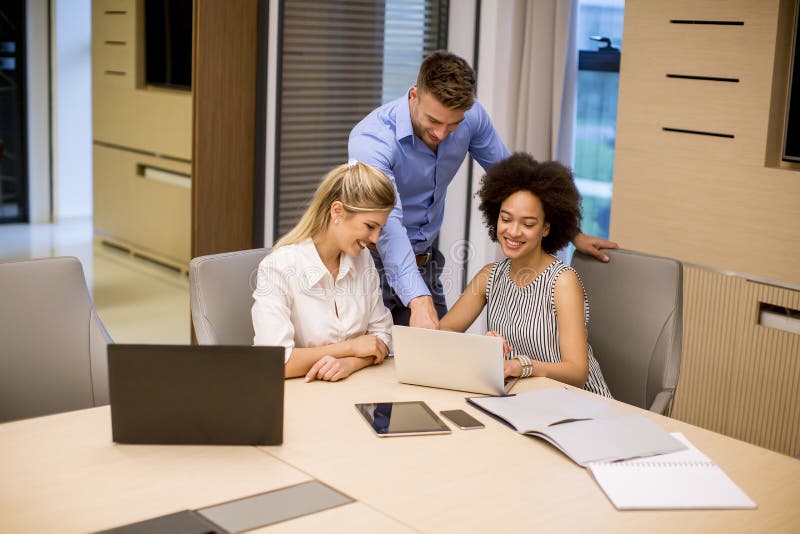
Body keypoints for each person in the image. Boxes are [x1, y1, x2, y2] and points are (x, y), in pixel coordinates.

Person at [349, 50, 617, 330]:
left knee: (433, 362)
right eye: (433, 121)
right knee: (369, 361)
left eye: (452, 124)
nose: (441, 134)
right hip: (366, 266)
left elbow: (517, 181)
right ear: (414, 95)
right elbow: (388, 225)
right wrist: (419, 299)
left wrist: (572, 233)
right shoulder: (373, 141)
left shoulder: (472, 118)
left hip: (423, 263)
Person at [439, 153, 611, 396]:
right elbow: (443, 333)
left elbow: (577, 373)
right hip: (525, 399)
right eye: (506, 219)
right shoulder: (489, 276)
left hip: (579, 404)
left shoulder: (562, 282)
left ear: (546, 228)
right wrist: (482, 348)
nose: (513, 232)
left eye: (528, 224)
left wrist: (523, 366)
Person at [252, 161, 395, 382]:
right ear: (337, 211)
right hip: (300, 397)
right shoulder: (278, 267)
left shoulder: (362, 259)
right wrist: (351, 347)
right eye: (370, 226)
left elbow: (382, 336)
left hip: (355, 390)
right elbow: (273, 362)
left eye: (380, 229)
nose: (375, 239)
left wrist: (350, 363)